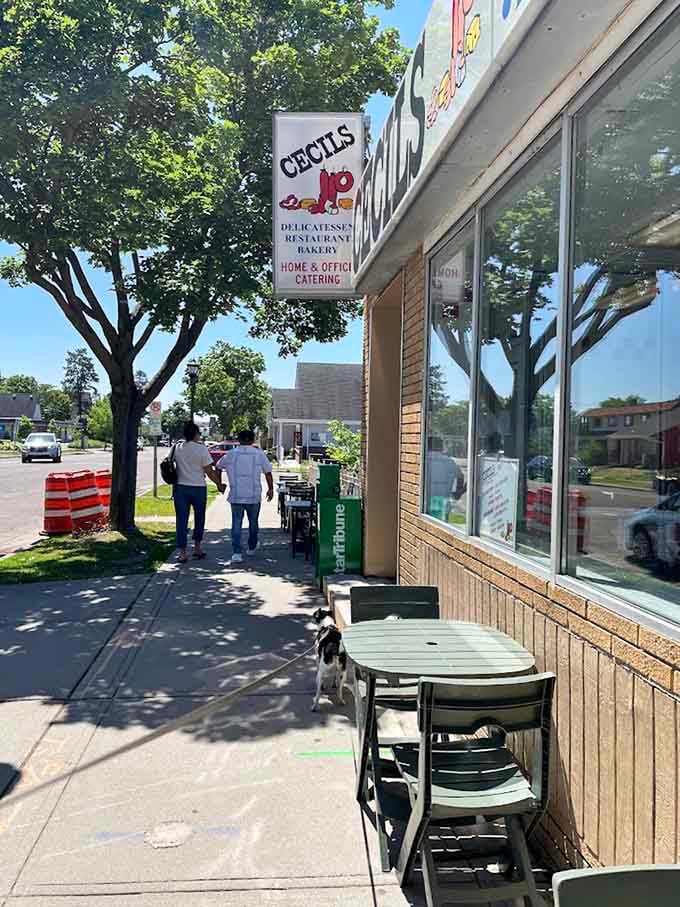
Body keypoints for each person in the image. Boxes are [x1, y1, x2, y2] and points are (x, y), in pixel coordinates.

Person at [218, 429, 274, 564]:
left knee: (236, 523)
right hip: (253, 495)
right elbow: (268, 472)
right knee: (253, 523)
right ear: (253, 440)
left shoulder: (230, 454)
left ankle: (237, 553)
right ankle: (252, 546)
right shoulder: (259, 454)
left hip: (236, 495)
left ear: (238, 440)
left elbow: (218, 467)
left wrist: (219, 484)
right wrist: (271, 489)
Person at [173, 421, 224, 563]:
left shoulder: (177, 448)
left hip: (180, 488)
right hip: (198, 488)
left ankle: (182, 552)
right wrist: (219, 484)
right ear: (196, 434)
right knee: (199, 518)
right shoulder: (201, 449)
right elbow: (209, 471)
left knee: (181, 520)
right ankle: (197, 547)